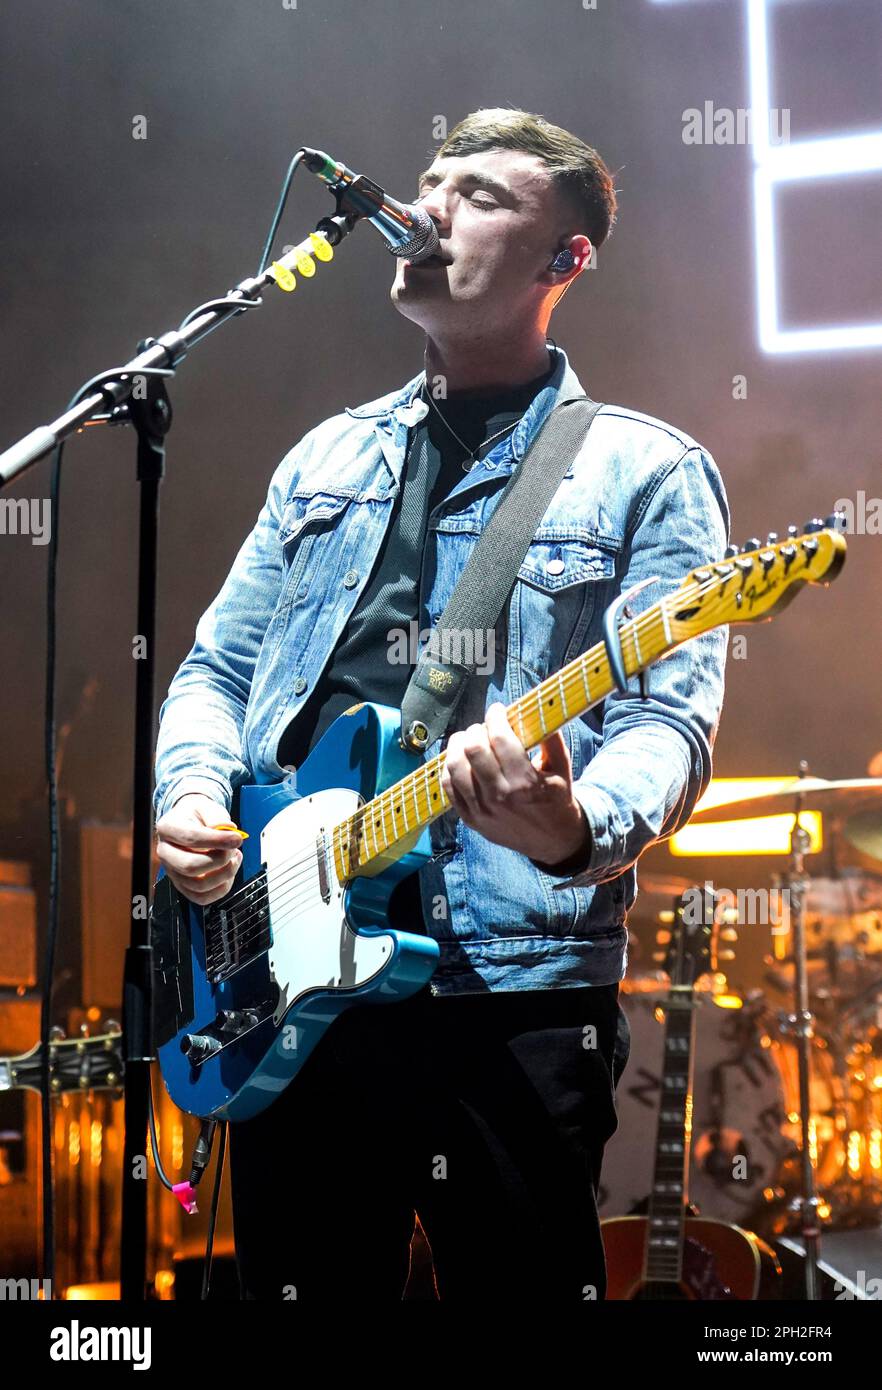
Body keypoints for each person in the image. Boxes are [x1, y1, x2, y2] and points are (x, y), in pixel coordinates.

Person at [153, 107, 729, 1301]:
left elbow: (668, 723)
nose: (426, 208)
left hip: (507, 992)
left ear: (564, 260)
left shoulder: (646, 470)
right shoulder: (323, 459)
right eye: (427, 181)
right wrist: (196, 792)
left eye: (478, 194)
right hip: (285, 971)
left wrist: (572, 829)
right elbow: (216, 668)